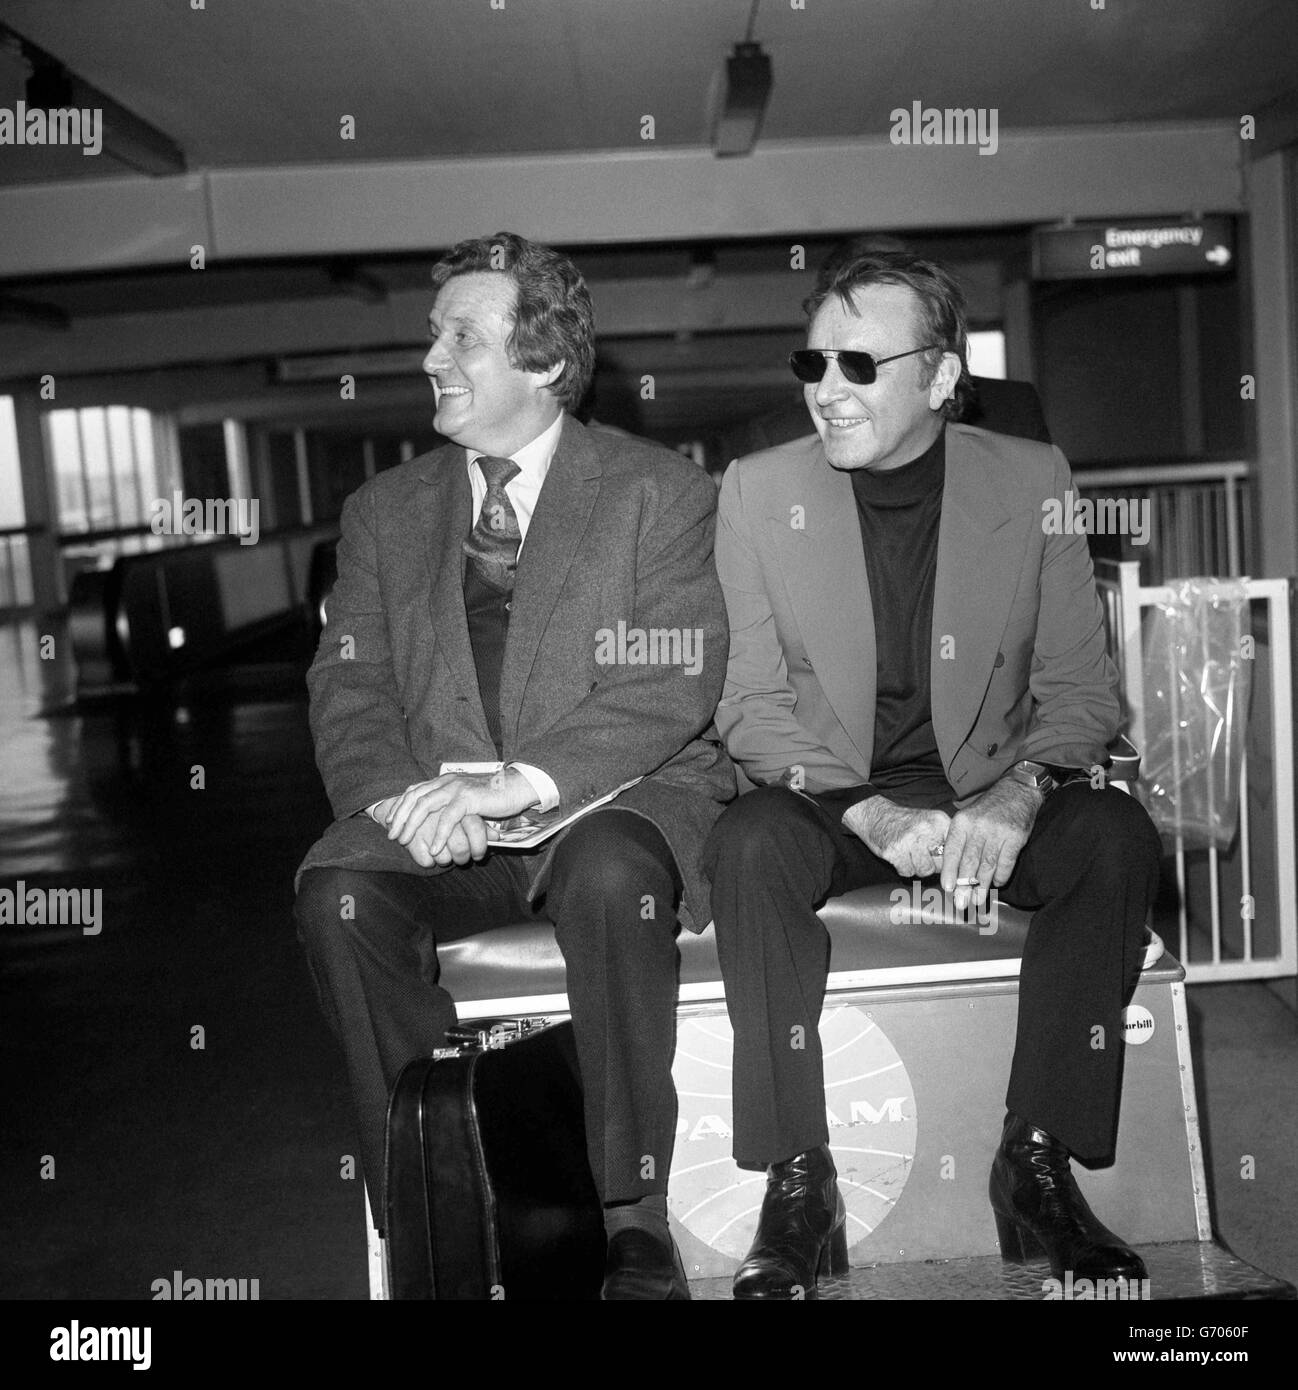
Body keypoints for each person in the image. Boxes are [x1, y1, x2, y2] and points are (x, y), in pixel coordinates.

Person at [703, 249, 1162, 1299]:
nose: (826, 388)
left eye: (858, 364)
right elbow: (748, 708)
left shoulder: (1030, 477)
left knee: (1111, 834)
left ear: (941, 378)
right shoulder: (756, 491)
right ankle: (798, 1179)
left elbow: (1082, 692)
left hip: (984, 790)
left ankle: (1034, 1164)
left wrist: (1017, 793)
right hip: (829, 797)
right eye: (810, 361)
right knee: (747, 840)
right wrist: (863, 810)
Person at [294, 231, 733, 1301]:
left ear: (541, 363)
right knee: (337, 894)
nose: (432, 358)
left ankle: (632, 1216)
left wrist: (522, 783)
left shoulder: (659, 492)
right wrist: (405, 801)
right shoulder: (381, 513)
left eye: (462, 336)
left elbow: (673, 679)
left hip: (614, 798)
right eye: (432, 334)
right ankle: (435, 1198)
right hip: (440, 812)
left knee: (610, 879)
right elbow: (346, 682)